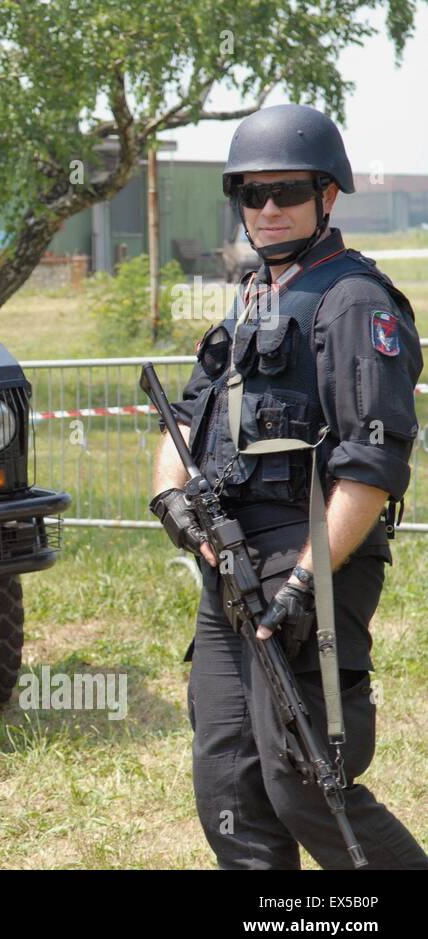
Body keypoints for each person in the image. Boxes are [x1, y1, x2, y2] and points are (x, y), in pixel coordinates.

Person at [151, 104, 428, 869]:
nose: (268, 210)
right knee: (229, 785)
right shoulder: (251, 300)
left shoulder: (354, 301)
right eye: (252, 194)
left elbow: (370, 469)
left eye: (288, 192)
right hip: (229, 567)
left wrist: (308, 583)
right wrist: (172, 499)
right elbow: (182, 418)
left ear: (328, 195)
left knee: (306, 779)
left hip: (314, 563)